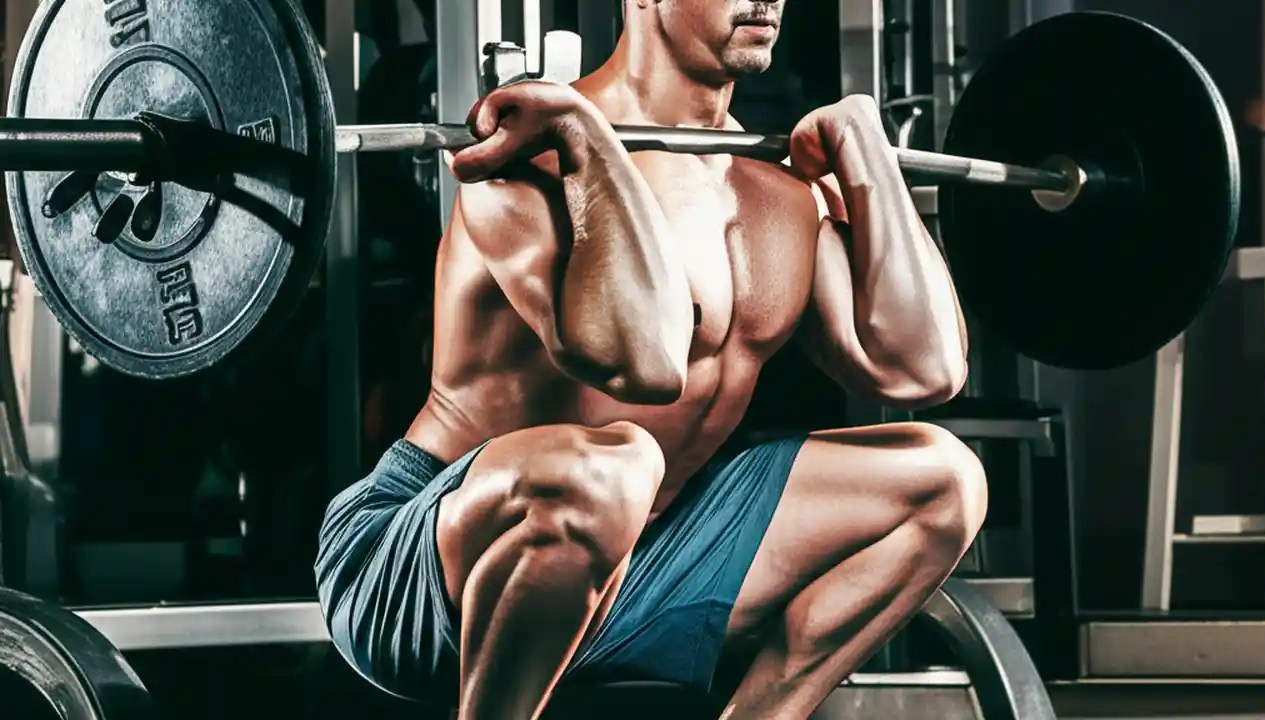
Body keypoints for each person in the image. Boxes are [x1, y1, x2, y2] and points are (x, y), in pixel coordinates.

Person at [315, 1, 987, 718]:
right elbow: (648, 363)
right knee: (617, 465)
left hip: (642, 561)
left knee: (944, 479)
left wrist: (868, 158)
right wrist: (587, 140)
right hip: (423, 570)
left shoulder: (777, 188)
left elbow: (926, 370)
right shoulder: (530, 154)